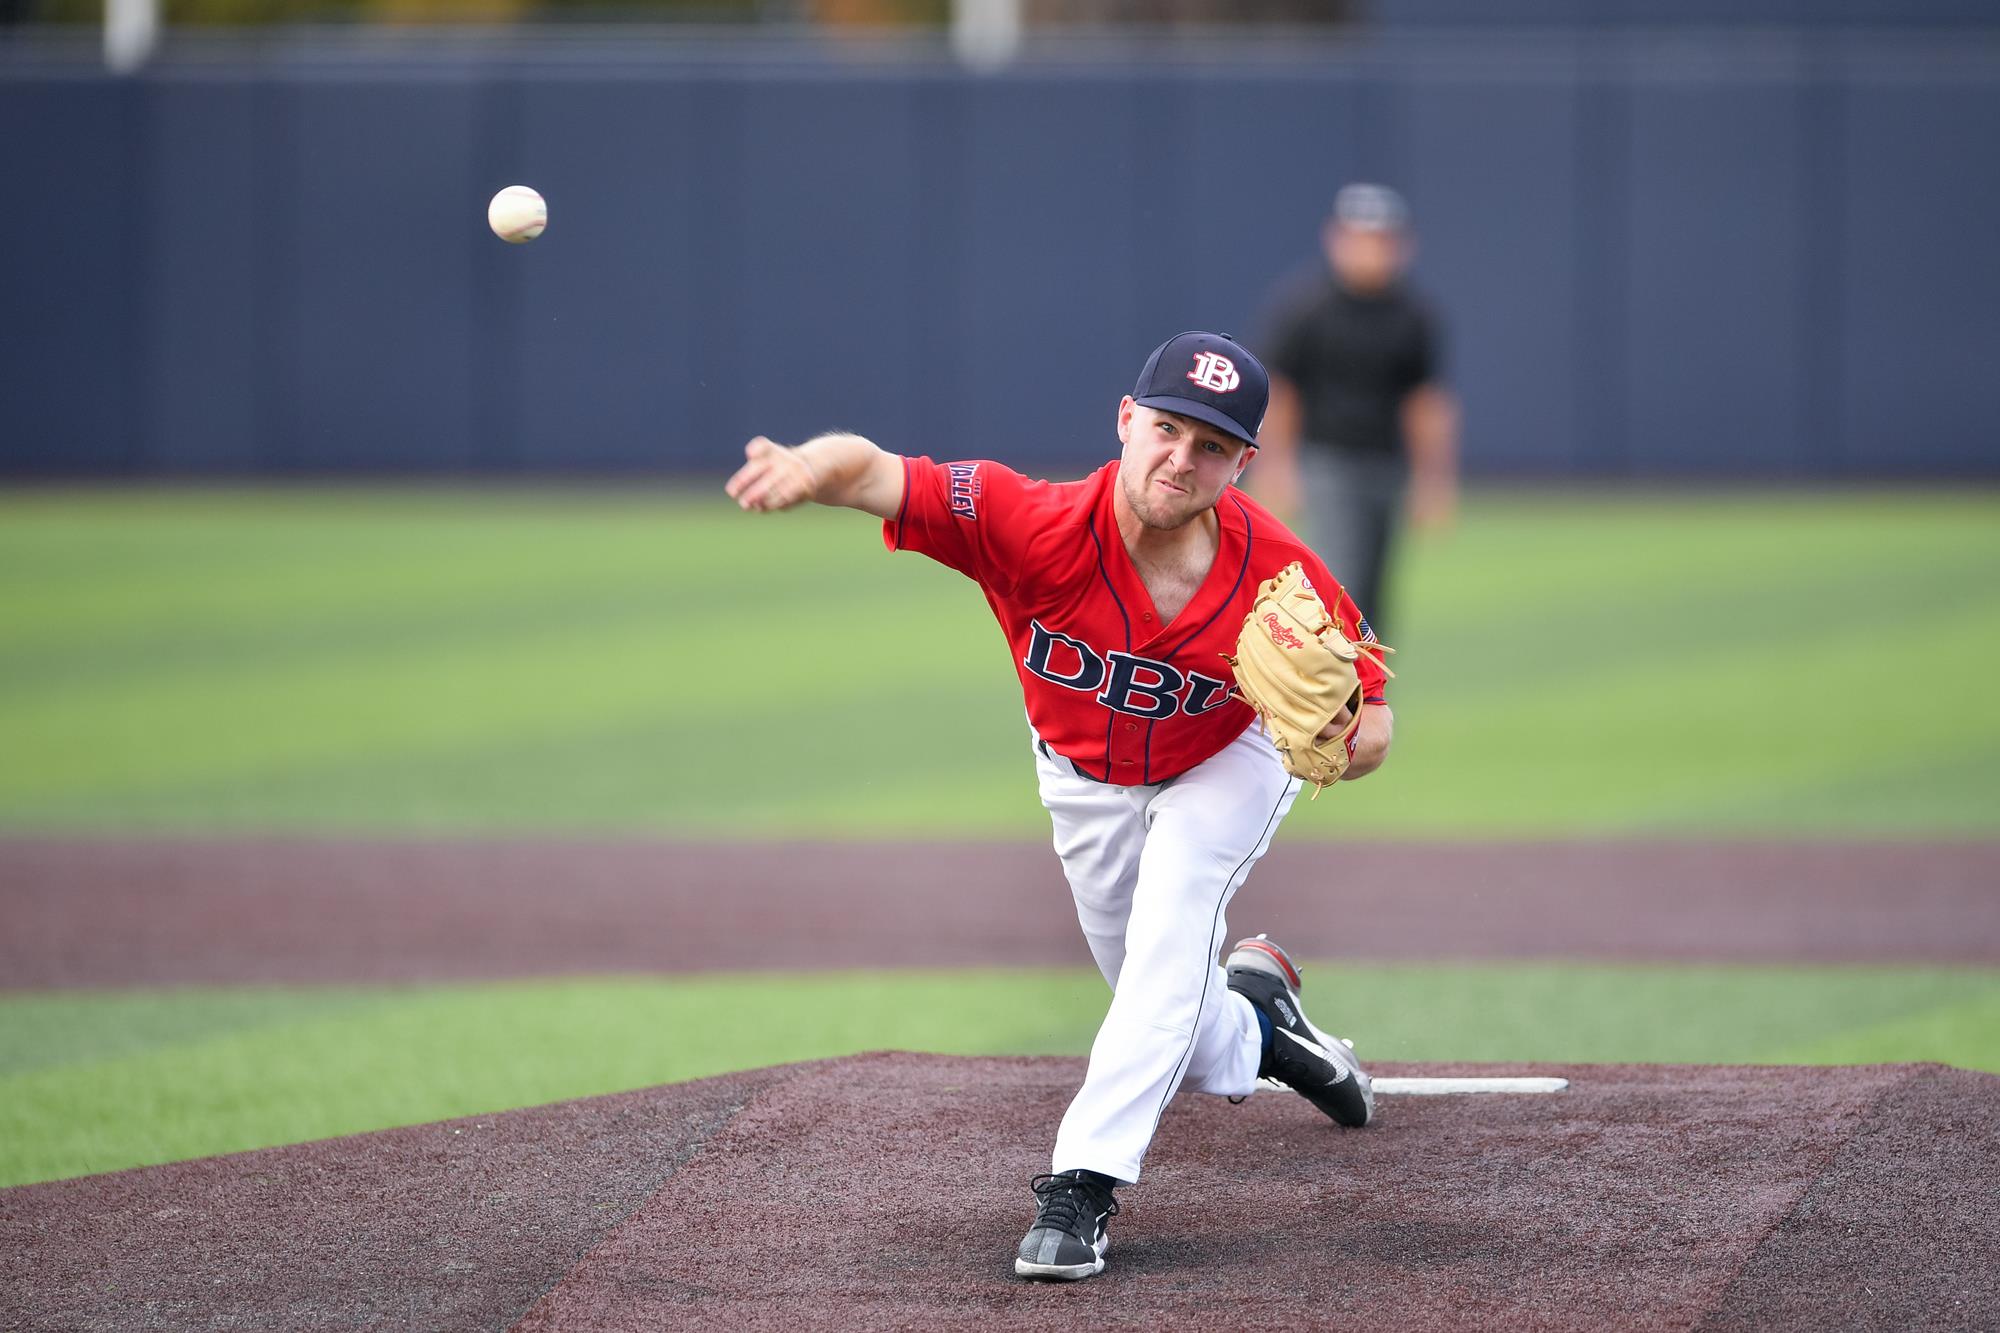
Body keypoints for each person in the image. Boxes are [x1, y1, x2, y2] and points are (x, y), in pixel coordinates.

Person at [726, 330, 1393, 1282]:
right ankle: (1260, 1020)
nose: (1181, 458)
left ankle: (1082, 1182)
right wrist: (805, 467)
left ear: (1244, 462)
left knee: (1171, 929)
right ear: (1126, 421)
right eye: (1167, 429)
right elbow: (873, 470)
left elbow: (1373, 726)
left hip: (1228, 761)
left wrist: (1342, 738)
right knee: (1171, 1011)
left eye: (1211, 446)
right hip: (1081, 775)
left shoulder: (1281, 575)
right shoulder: (1022, 517)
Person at [1254, 183, 1460, 646]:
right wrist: (1276, 466)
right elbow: (1282, 391)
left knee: (1372, 597)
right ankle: (1327, 702)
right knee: (1335, 588)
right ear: (1337, 239)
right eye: (1361, 237)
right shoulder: (1306, 306)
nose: (1372, 250)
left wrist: (1434, 481)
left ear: (1403, 245)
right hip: (1326, 462)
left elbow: (1426, 402)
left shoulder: (1413, 315)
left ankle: (1366, 699)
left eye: (1383, 239)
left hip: (1386, 465)